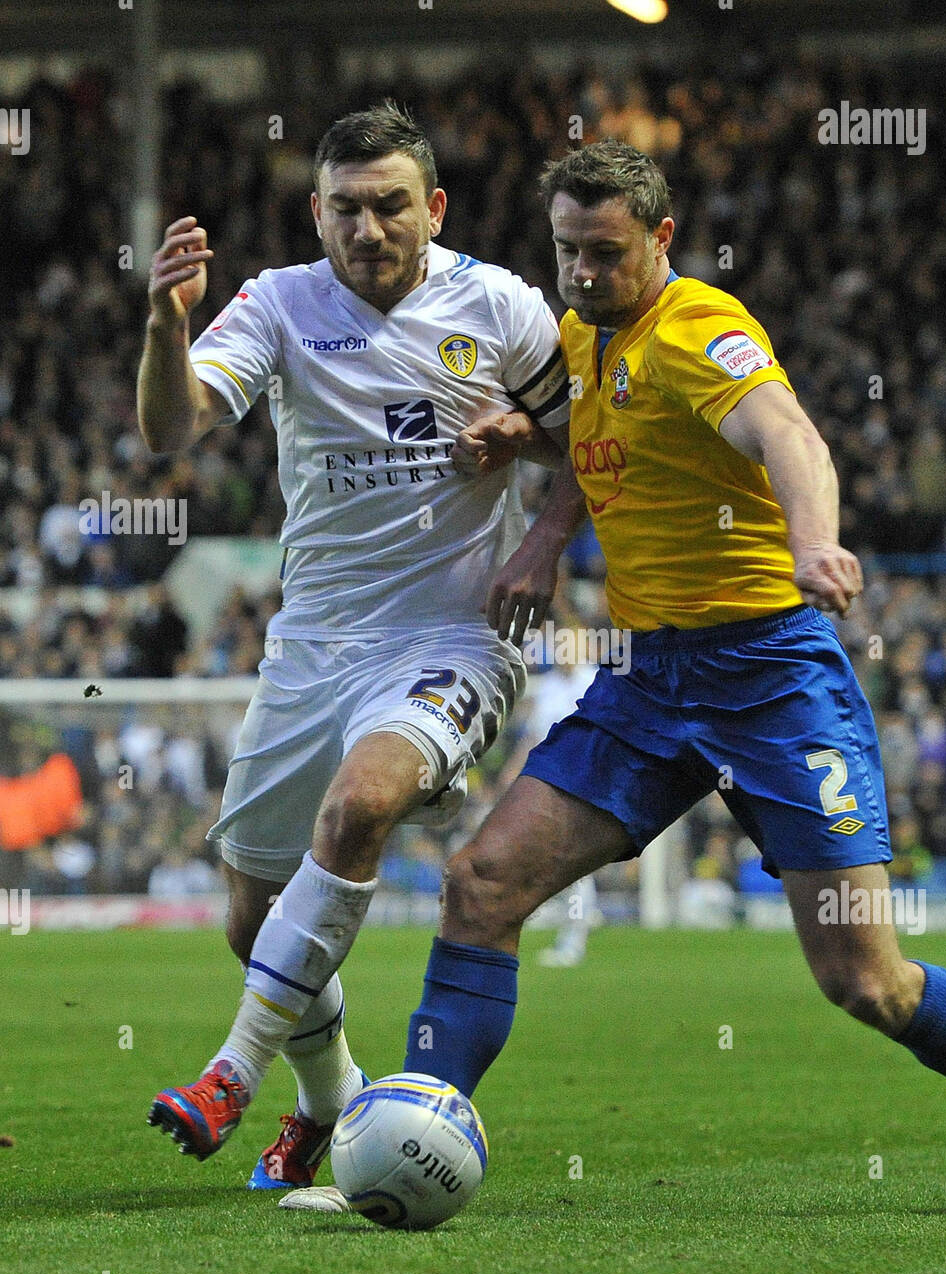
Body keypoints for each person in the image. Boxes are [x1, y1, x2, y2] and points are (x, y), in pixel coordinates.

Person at [388, 140, 946, 1215]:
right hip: (647, 678)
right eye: (566, 251)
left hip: (771, 670)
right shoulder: (585, 336)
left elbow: (787, 433)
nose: (581, 273)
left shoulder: (700, 330)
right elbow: (600, 435)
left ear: (661, 238)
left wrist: (816, 543)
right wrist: (539, 512)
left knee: (864, 982)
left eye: (605, 252)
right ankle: (417, 1125)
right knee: (480, 883)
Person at [142, 104, 583, 1187]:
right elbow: (170, 427)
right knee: (253, 917)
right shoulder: (282, 303)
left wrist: (540, 533)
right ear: (316, 213)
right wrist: (164, 324)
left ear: (432, 207)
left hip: (449, 638)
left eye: (390, 204)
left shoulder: (502, 306)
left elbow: (594, 437)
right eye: (345, 208)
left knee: (362, 804)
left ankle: (231, 1073)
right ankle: (330, 1101)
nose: (368, 227)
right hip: (312, 646)